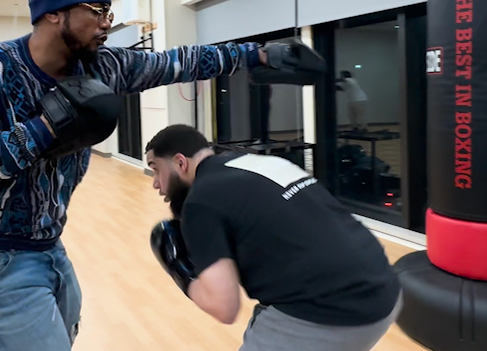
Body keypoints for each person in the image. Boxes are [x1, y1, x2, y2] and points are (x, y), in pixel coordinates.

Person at [0, 0, 325, 351]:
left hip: (45, 244)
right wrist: (43, 129)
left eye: (109, 12)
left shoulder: (102, 68)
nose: (106, 23)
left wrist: (256, 55)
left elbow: (174, 63)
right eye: (96, 11)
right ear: (53, 14)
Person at [146, 124, 402, 351]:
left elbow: (224, 306)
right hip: (384, 285)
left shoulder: (200, 202)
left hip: (332, 310)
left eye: (156, 170)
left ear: (181, 163)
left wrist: (178, 266)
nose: (156, 183)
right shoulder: (257, 162)